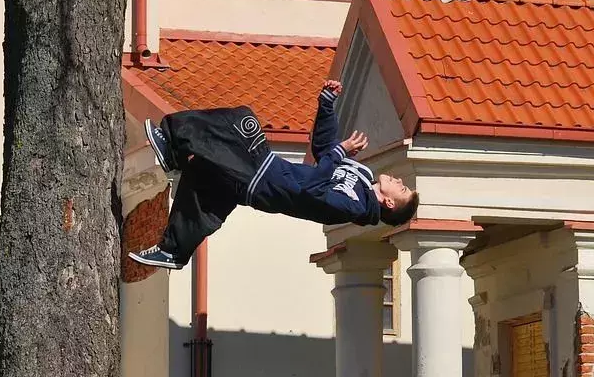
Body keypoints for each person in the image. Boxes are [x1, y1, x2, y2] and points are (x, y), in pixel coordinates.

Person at [128, 80, 419, 269]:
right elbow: (323, 149)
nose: (400, 181)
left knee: (242, 122)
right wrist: (327, 105)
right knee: (200, 176)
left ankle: (170, 143)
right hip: (264, 170)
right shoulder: (362, 175)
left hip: (262, 182)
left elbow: (312, 185)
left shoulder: (352, 207)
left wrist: (339, 153)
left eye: (403, 190)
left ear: (389, 204)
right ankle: (173, 251)